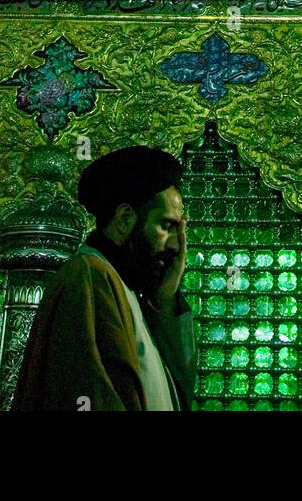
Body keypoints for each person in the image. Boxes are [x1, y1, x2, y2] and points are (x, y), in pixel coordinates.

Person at [11, 145, 196, 411]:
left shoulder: (123, 287)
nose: (176, 246)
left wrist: (165, 299)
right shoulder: (89, 277)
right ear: (124, 218)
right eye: (166, 226)